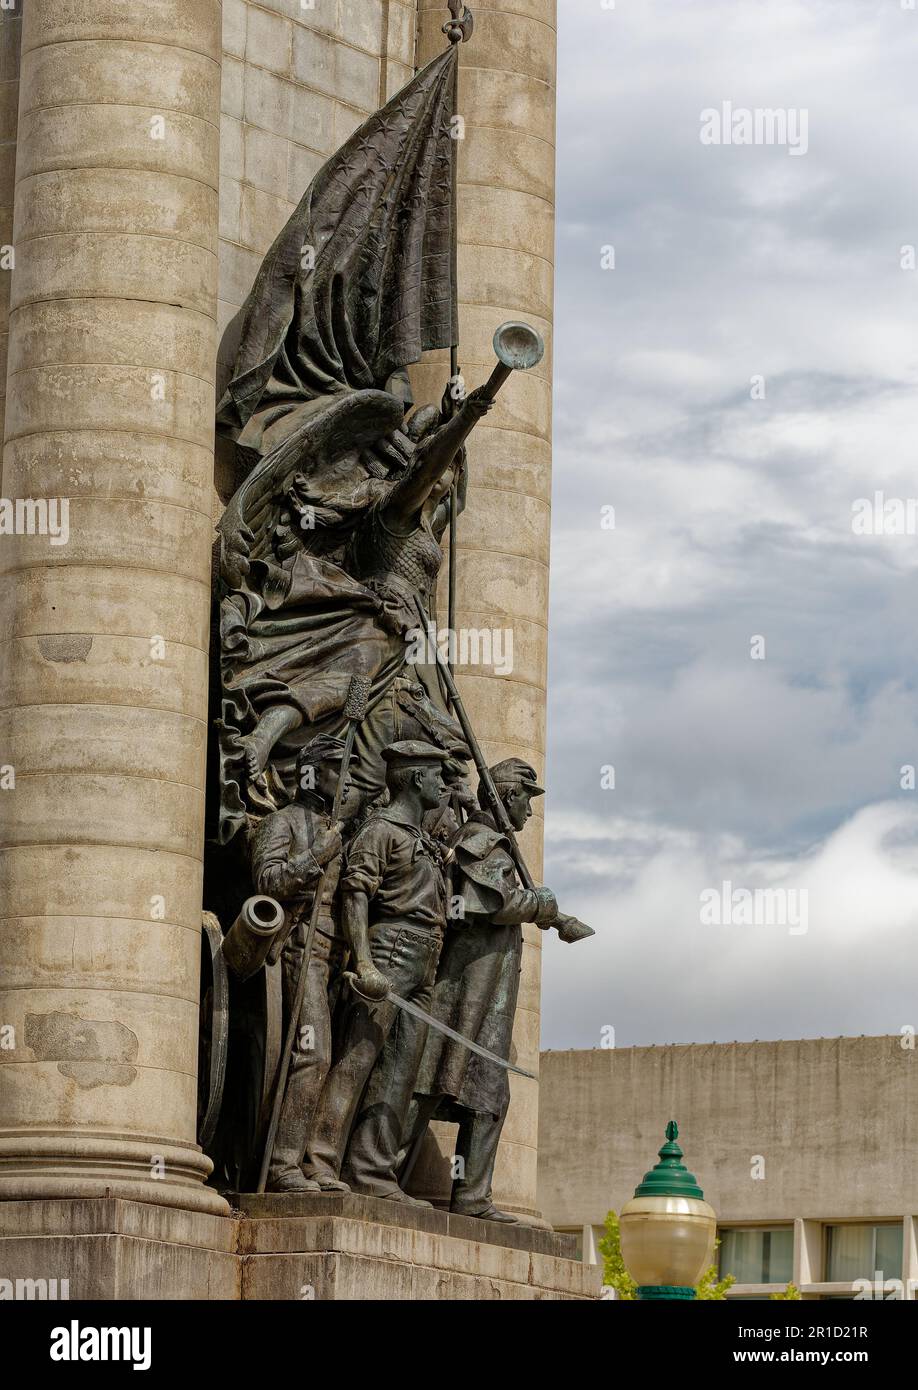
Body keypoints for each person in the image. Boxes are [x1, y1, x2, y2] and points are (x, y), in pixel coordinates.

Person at [403, 759, 593, 1222]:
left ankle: (469, 1196)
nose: (530, 810)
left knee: (482, 1094)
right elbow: (492, 902)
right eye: (526, 798)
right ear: (506, 797)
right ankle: (381, 1172)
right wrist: (543, 905)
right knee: (432, 1083)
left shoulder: (493, 843)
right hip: (466, 988)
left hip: (486, 994)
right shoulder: (480, 841)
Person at [305, 741, 451, 1204]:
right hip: (391, 949)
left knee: (400, 1070)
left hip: (425, 956)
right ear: (413, 779)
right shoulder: (381, 831)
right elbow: (355, 895)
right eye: (436, 776)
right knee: (358, 1060)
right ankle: (320, 1159)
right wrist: (364, 962)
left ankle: (371, 1170)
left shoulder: (421, 839)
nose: (443, 786)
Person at [250, 734, 352, 1193]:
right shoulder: (283, 822)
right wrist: (318, 855)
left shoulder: (337, 829)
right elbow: (268, 882)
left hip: (334, 956)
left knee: (330, 1059)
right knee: (312, 1054)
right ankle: (282, 1166)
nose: (344, 780)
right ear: (312, 773)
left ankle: (315, 1162)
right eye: (336, 770)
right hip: (298, 949)